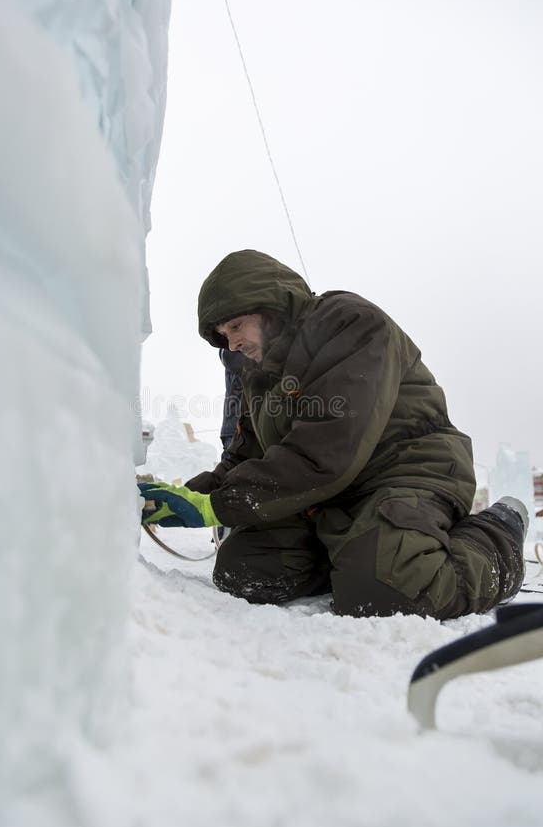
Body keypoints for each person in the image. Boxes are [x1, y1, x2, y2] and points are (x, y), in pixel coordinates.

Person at [139, 249, 528, 619]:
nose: (232, 343)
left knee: (388, 587)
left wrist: (215, 507)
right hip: (329, 491)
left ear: (270, 307)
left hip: (406, 470)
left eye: (236, 326)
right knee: (247, 570)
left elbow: (327, 451)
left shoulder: (350, 325)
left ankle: (499, 530)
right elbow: (247, 459)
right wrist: (190, 496)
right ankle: (362, 553)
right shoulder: (259, 377)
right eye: (224, 336)